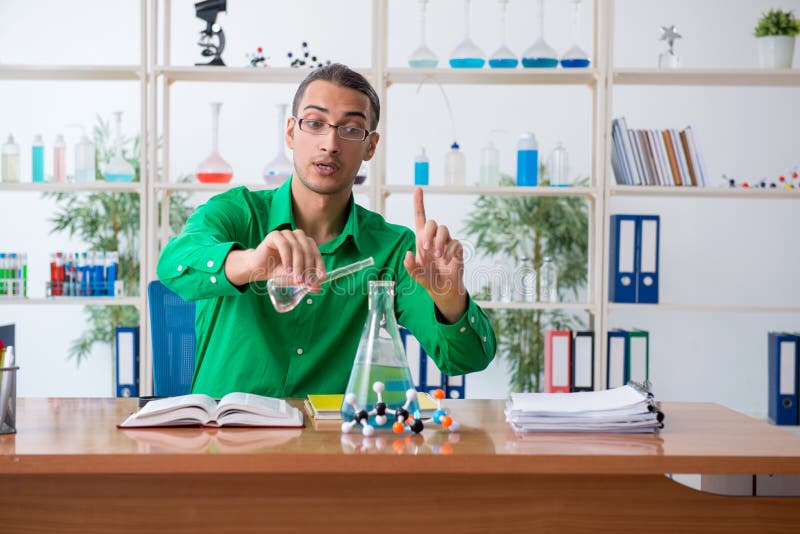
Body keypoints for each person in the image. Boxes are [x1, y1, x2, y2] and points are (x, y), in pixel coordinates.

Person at [157, 63, 496, 398]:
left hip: (332, 445)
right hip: (225, 438)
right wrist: (251, 265)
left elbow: (466, 360)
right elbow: (174, 266)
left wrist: (451, 299)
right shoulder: (234, 213)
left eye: (350, 129)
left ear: (370, 146)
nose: (330, 143)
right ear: (291, 132)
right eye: (315, 123)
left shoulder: (397, 252)